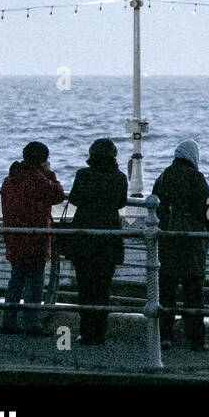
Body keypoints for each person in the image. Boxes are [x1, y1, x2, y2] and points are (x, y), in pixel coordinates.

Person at [152, 139, 209, 351]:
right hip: (192, 243)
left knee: (167, 290)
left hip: (168, 241)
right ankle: (196, 339)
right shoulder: (196, 178)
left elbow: (155, 207)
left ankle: (164, 336)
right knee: (193, 292)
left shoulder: (163, 177)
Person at [67, 138, 129, 346]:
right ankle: (99, 332)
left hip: (84, 235)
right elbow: (121, 202)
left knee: (85, 287)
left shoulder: (83, 175)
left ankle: (86, 332)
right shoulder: (119, 177)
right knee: (103, 287)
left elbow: (74, 199)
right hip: (108, 235)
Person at [0, 141, 65, 336]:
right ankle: (31, 324)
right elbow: (58, 194)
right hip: (35, 237)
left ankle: (8, 322)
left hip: (14, 235)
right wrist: (49, 174)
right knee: (35, 283)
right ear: (43, 160)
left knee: (16, 280)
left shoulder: (9, 180)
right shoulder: (38, 180)